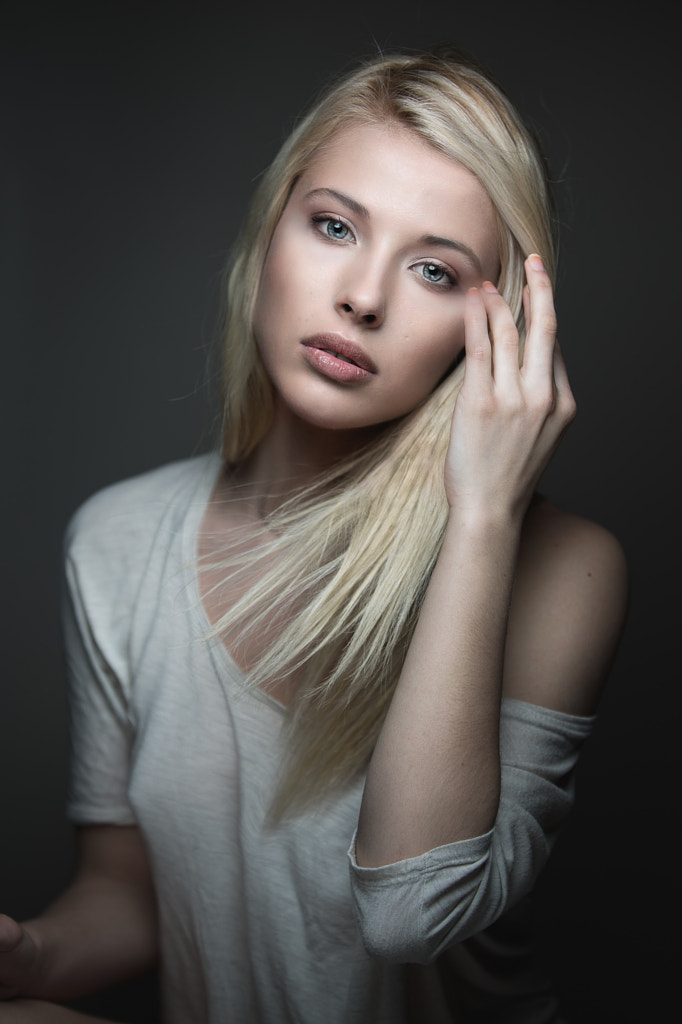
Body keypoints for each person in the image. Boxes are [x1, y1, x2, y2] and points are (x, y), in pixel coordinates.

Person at [0, 47, 628, 1023]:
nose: (363, 296)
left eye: (433, 268)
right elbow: (131, 895)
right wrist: (29, 955)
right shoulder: (116, 540)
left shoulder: (565, 569)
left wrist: (483, 516)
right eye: (334, 225)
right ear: (272, 230)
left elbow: (412, 914)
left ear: (498, 326)